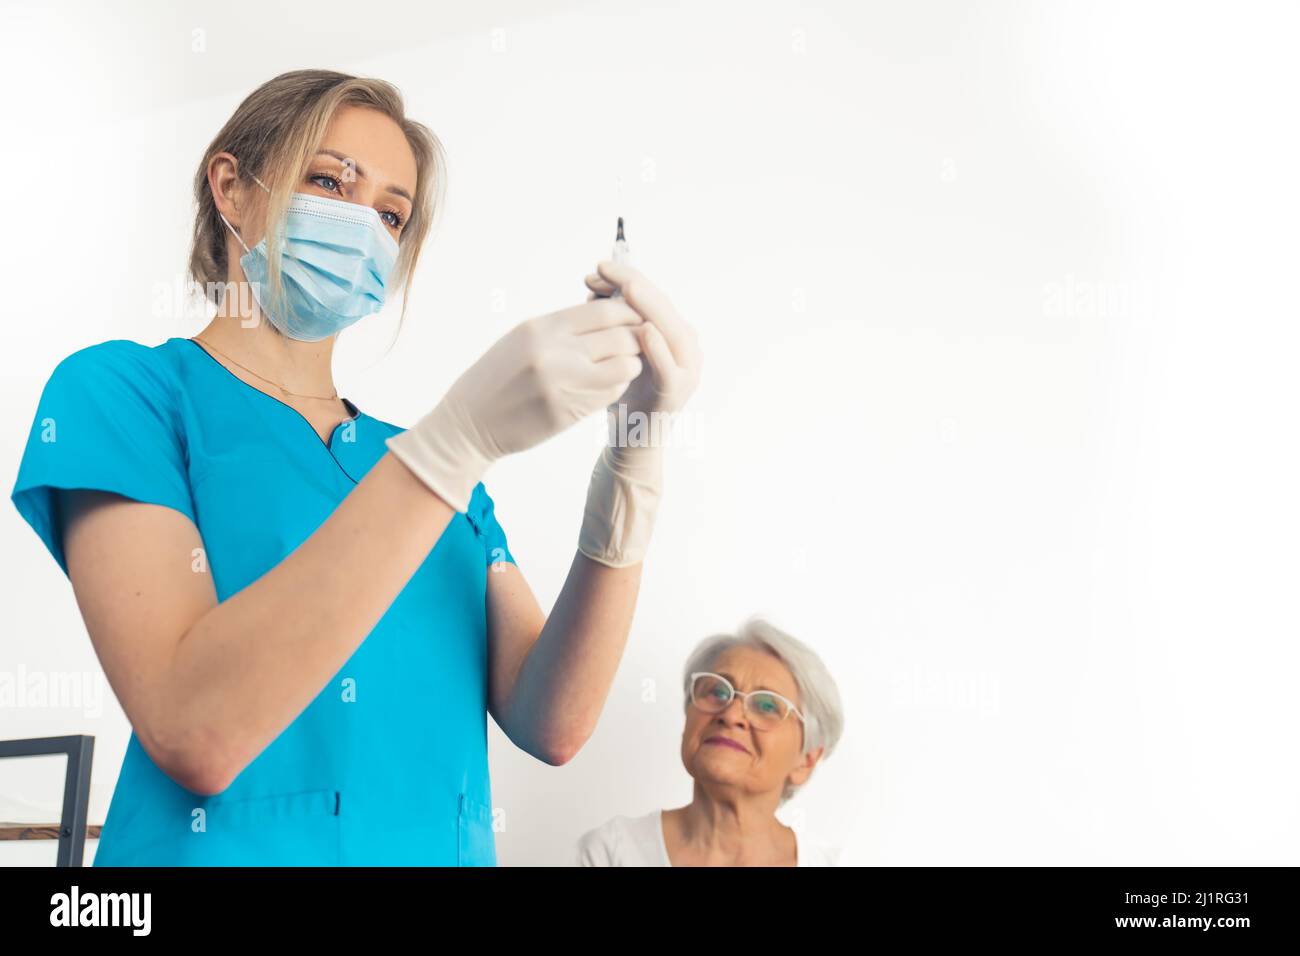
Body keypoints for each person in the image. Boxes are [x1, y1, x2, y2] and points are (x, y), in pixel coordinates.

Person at [9, 69, 701, 866]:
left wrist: (633, 460)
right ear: (231, 188)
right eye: (329, 180)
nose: (363, 225)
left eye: (390, 214)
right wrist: (455, 440)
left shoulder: (438, 477)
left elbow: (553, 722)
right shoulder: (128, 395)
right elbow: (192, 727)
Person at [576, 617, 844, 866]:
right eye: (717, 691)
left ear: (805, 761)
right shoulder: (612, 852)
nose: (730, 714)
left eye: (765, 705)